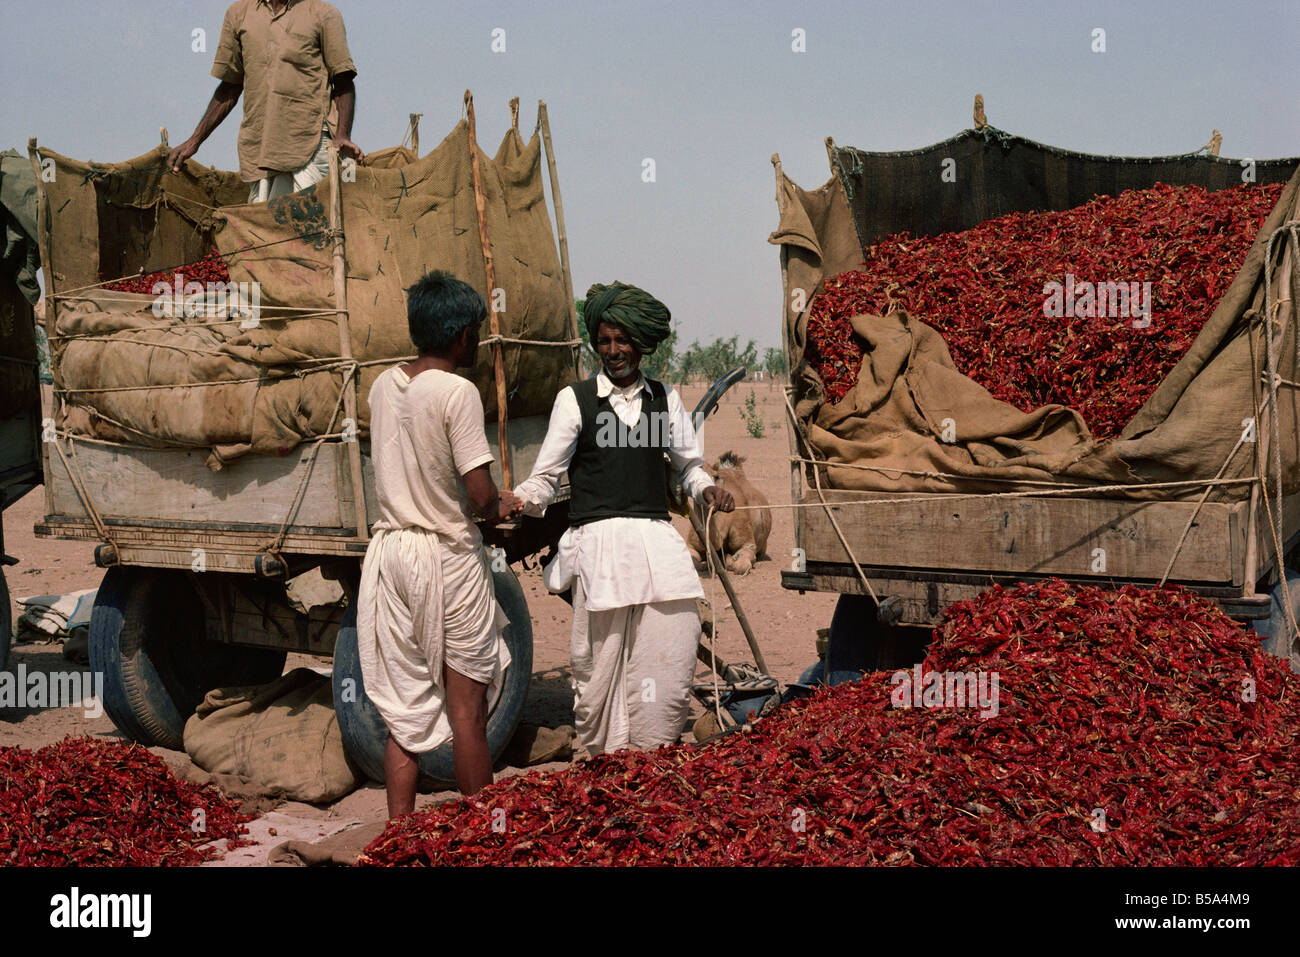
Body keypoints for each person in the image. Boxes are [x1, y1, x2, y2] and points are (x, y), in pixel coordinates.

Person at [513, 282, 735, 755]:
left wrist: (706, 487)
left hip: (656, 547)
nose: (614, 351)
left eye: (623, 340)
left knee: (666, 657)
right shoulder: (576, 401)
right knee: (598, 673)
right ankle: (606, 762)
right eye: (605, 341)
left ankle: (652, 756)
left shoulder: (665, 399)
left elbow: (687, 466)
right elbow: (546, 476)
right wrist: (520, 500)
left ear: (642, 343)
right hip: (600, 550)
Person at [356, 270, 524, 817]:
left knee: (405, 713)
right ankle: (482, 834)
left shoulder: (383, 385)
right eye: (473, 331)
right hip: (445, 558)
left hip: (391, 555)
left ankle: (397, 836)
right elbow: (479, 496)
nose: (476, 341)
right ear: (458, 336)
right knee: (466, 711)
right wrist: (506, 502)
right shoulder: (458, 392)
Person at [167, 0, 362, 202]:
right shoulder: (239, 13)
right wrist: (194, 141)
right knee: (263, 226)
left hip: (309, 142)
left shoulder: (324, 14)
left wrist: (342, 135)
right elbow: (230, 87)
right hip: (260, 145)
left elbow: (343, 80)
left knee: (310, 224)